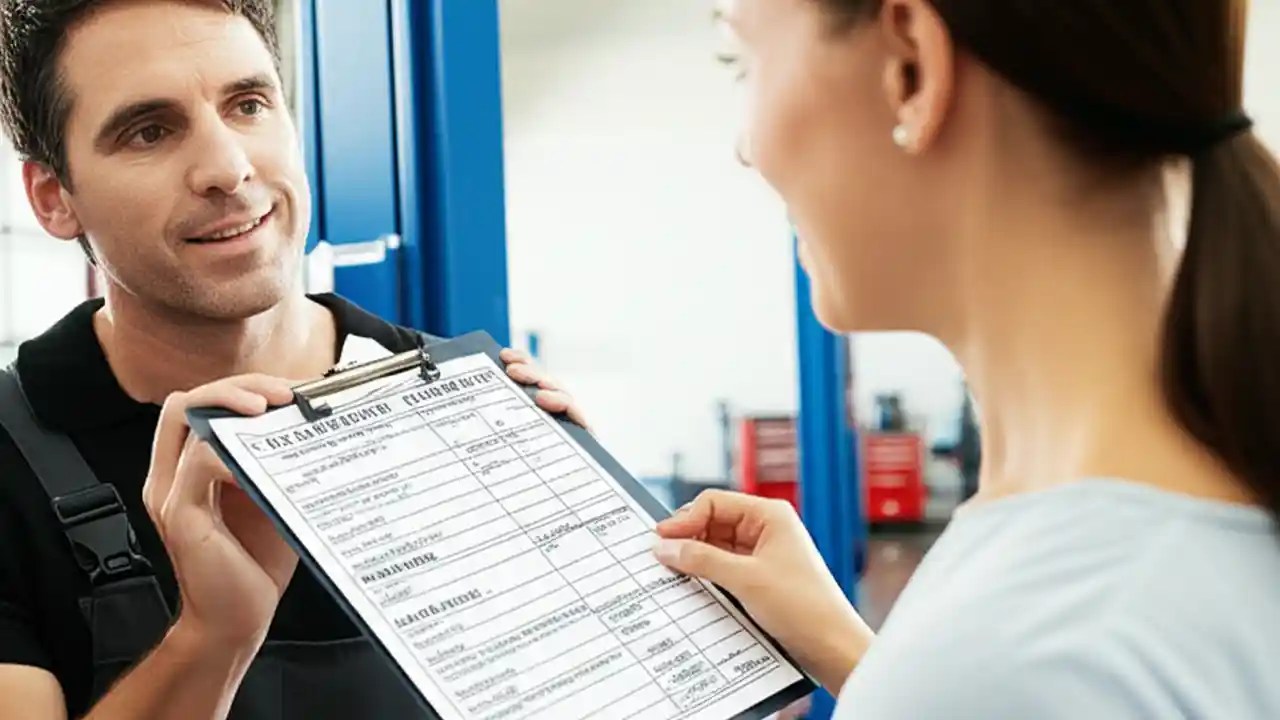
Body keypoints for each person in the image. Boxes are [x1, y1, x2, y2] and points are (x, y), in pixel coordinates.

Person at [655, 0, 1280, 717]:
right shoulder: (1137, 571)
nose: (747, 150)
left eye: (742, 61)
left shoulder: (1024, 662)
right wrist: (859, 662)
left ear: (911, 68)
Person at [0, 1, 585, 718]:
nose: (228, 168)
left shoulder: (479, 410)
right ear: (54, 198)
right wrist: (211, 638)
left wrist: (616, 560)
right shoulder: (8, 457)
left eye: (248, 105)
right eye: (149, 130)